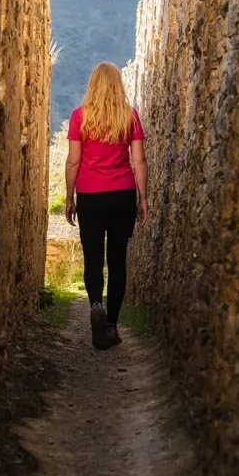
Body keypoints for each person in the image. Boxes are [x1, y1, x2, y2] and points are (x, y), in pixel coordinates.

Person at [65, 62, 148, 350]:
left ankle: (96, 305)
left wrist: (69, 196)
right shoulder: (130, 117)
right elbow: (138, 161)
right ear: (118, 85)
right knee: (117, 261)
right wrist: (143, 197)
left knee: (92, 258)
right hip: (122, 194)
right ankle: (111, 325)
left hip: (90, 194)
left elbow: (74, 160)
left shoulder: (80, 117)